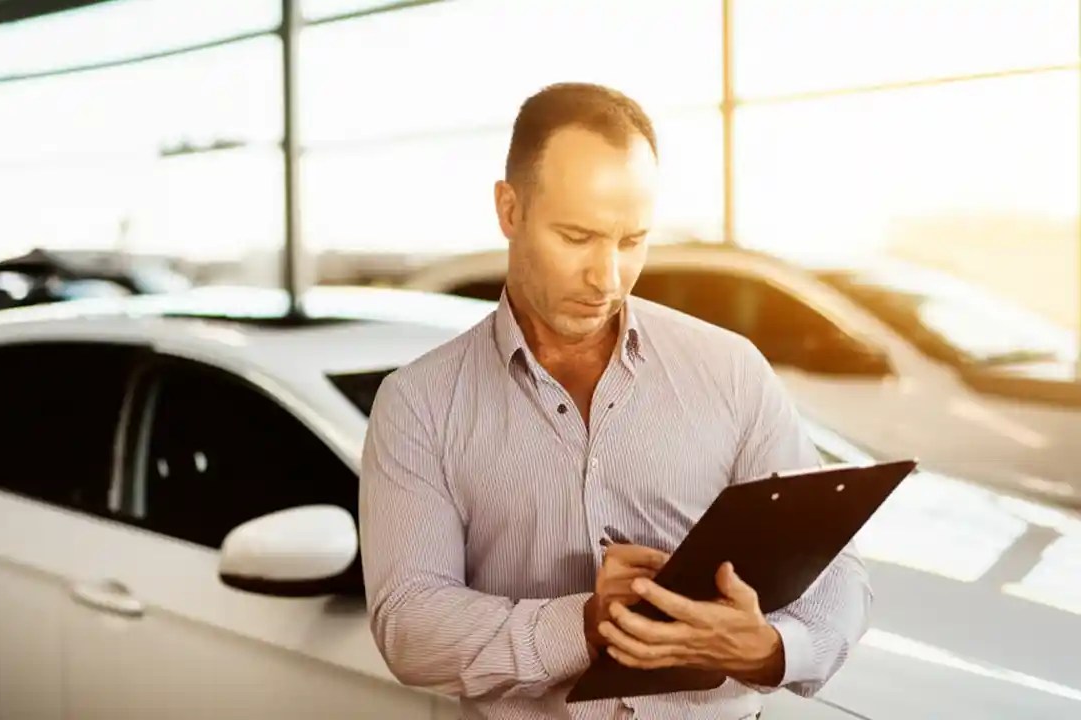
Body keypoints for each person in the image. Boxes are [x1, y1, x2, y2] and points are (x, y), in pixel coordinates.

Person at [359, 82, 871, 720]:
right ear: (509, 209)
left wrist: (768, 649)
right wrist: (585, 623)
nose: (606, 278)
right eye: (577, 237)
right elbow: (409, 626)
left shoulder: (732, 370)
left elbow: (837, 575)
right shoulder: (418, 404)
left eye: (631, 241)